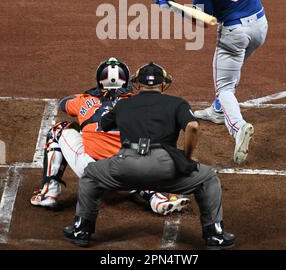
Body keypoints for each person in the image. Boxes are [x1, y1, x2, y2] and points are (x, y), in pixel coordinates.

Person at [63, 62, 235, 249]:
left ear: (137, 84)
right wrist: (185, 157)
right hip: (165, 167)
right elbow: (193, 127)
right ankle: (214, 235)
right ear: (163, 84)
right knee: (208, 178)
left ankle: (82, 231)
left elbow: (104, 125)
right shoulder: (177, 103)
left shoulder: (124, 104)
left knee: (91, 175)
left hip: (126, 166)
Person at [152, 0, 268, 164]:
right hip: (260, 26)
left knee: (224, 86)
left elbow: (204, 21)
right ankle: (217, 111)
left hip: (236, 34)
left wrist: (170, 7)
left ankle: (238, 128)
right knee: (232, 70)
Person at [30, 57, 190, 216]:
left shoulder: (83, 100)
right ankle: (157, 198)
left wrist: (90, 96)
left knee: (59, 129)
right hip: (128, 168)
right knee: (142, 148)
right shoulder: (136, 102)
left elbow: (63, 103)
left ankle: (48, 193)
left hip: (93, 170)